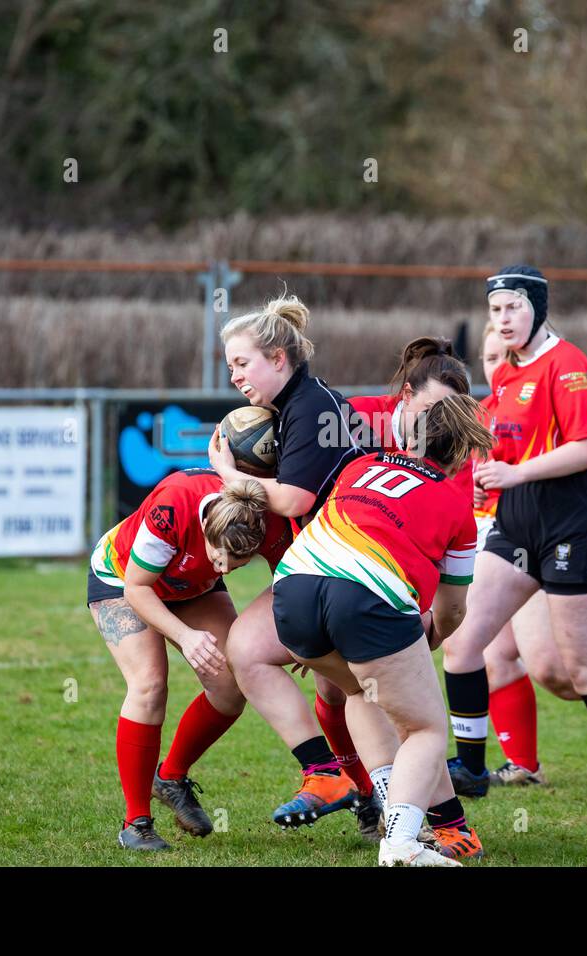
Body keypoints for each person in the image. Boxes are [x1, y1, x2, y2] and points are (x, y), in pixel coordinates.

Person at [441, 266, 587, 805]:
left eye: (514, 306)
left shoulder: (567, 365)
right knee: (464, 644)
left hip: (576, 523)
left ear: (538, 308)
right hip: (518, 522)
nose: (504, 318)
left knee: (580, 668)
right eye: (495, 310)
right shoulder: (507, 377)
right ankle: (470, 769)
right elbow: (508, 454)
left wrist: (515, 473)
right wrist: (487, 482)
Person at [272, 394, 495, 865]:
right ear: (461, 452)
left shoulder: (362, 465)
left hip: (291, 595)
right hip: (363, 599)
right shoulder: (456, 509)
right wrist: (422, 641)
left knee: (360, 692)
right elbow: (452, 611)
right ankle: (401, 844)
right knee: (428, 728)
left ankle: (396, 811)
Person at [207, 293, 371, 831]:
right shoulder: (293, 406)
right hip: (322, 568)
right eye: (229, 365)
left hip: (352, 572)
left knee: (356, 690)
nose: (233, 376)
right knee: (325, 684)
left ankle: (417, 803)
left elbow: (296, 500)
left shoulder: (312, 407)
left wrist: (229, 475)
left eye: (241, 362)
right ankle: (342, 782)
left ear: (279, 359)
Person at [88, 468, 291, 851]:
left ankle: (172, 777)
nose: (227, 568)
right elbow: (137, 587)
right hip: (125, 579)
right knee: (149, 684)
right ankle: (136, 823)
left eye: (239, 563)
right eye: (221, 557)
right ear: (207, 531)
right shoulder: (174, 507)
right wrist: (184, 635)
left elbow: (292, 579)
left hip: (191, 585)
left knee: (232, 685)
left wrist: (301, 636)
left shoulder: (265, 518)